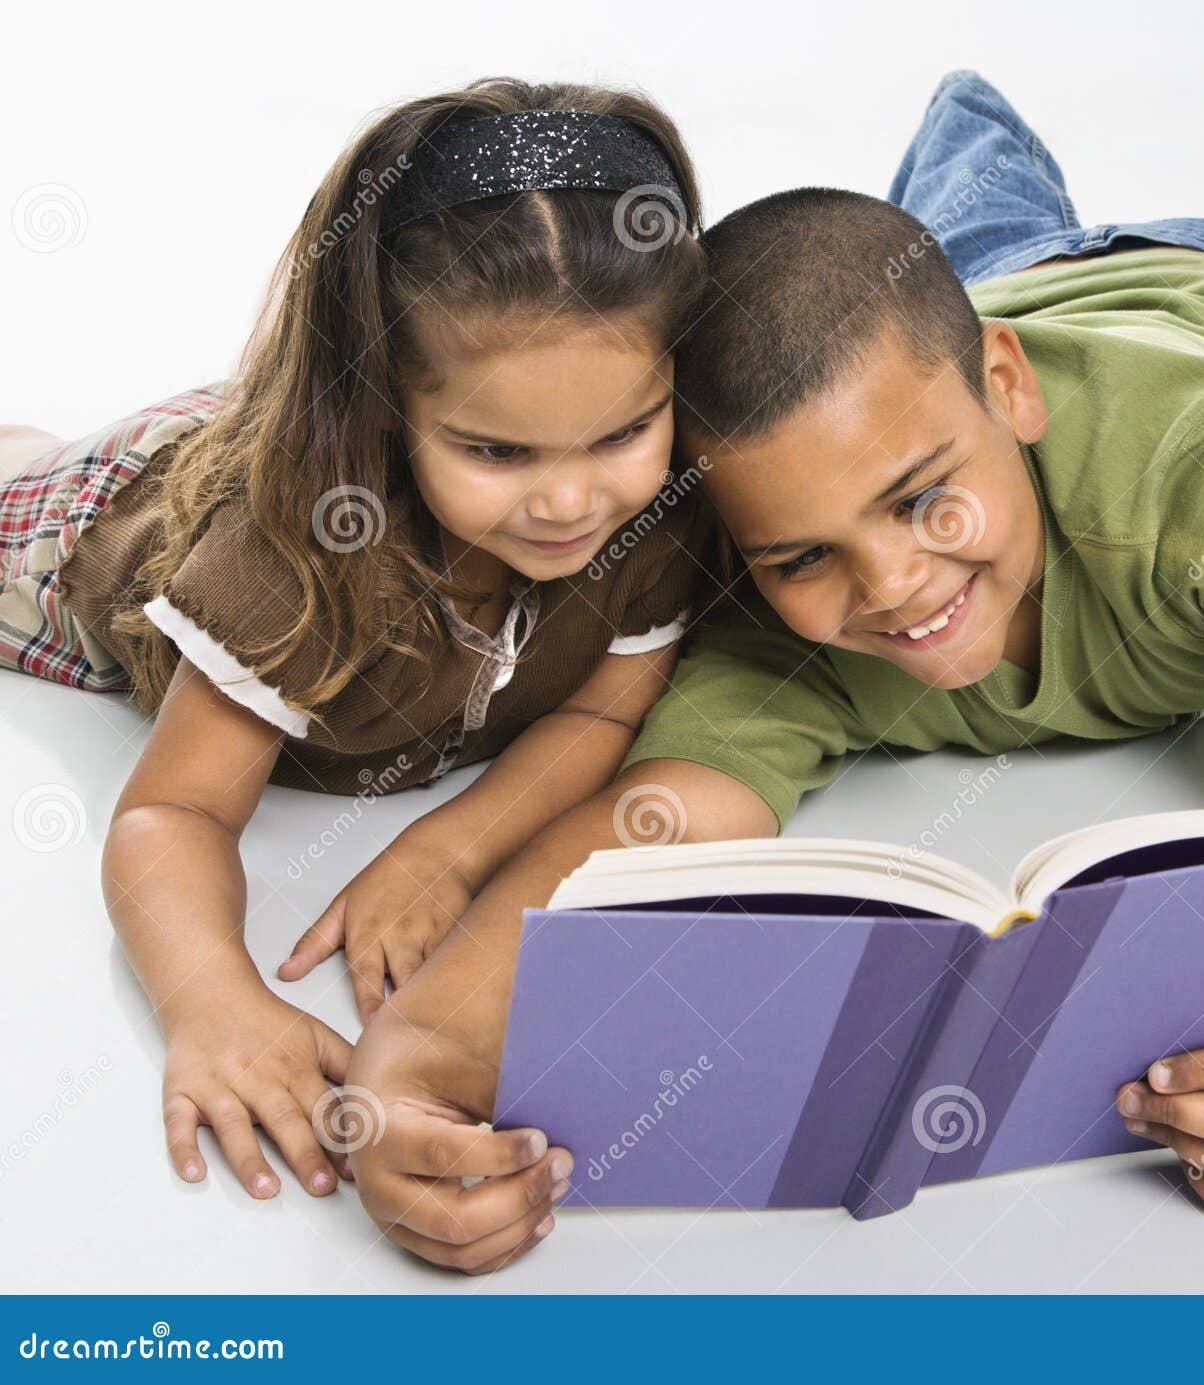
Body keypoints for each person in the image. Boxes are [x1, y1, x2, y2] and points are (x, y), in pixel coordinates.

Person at [351, 66, 1204, 1269]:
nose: (891, 586)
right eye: (799, 554)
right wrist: (413, 1056)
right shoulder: (781, 600)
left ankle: (981, 151)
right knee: (967, 250)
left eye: (921, 502)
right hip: (1006, 294)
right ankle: (970, 123)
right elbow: (640, 835)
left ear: (1008, 392)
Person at [0, 78, 713, 1210]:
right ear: (385, 403)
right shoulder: (295, 560)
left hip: (247, 431)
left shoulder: (663, 502)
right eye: (497, 451)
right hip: (89, 534)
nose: (574, 499)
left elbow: (601, 712)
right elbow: (169, 813)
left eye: (623, 430)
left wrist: (445, 849)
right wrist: (211, 1000)